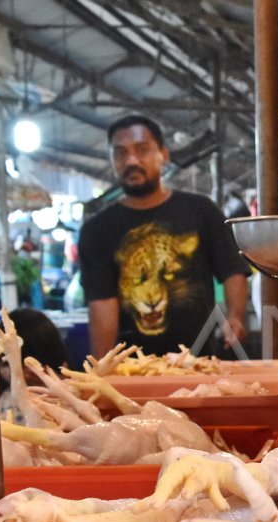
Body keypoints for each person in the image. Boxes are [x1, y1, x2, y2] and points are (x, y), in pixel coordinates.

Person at [78, 114, 251, 358]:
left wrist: (235, 316)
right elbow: (102, 304)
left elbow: (231, 269)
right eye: (120, 153)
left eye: (142, 150)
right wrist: (102, 372)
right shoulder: (96, 231)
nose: (132, 160)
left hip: (200, 361)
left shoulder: (201, 211)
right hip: (135, 368)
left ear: (164, 155)